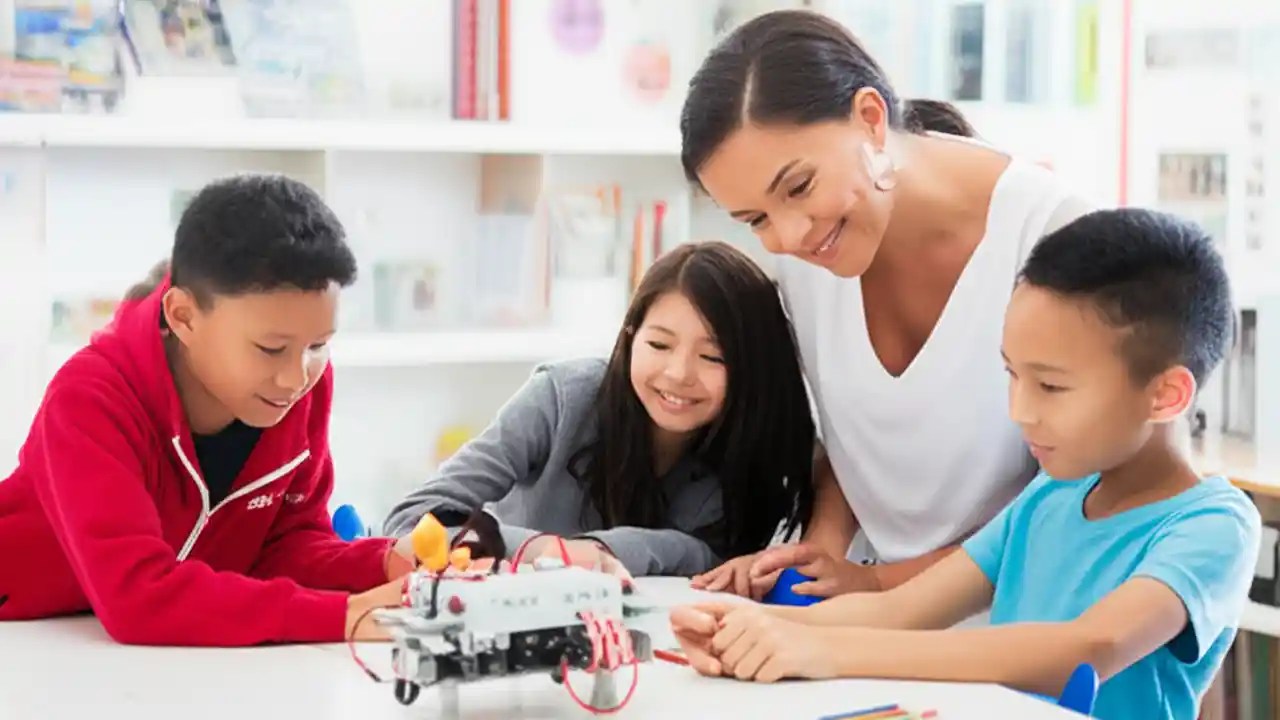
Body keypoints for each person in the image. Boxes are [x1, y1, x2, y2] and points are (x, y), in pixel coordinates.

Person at [670, 208, 1261, 720]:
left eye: (1051, 387)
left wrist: (825, 651)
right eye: (1012, 374)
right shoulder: (1051, 495)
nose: (1020, 411)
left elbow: (1090, 646)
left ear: (1166, 395)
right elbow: (900, 611)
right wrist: (744, 628)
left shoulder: (1213, 523)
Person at [682, 9, 1096, 599]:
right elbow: (855, 449)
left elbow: (1079, 500)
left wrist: (881, 586)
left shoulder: (1052, 236)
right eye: (755, 220)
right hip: (876, 627)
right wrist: (815, 557)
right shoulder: (809, 261)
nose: (791, 236)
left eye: (798, 187)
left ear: (871, 119)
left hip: (1022, 624)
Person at [0, 174, 414, 646]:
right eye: (270, 348)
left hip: (156, 655)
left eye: (318, 345)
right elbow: (138, 597)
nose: (296, 378)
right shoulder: (89, 398)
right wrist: (345, 615)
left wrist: (385, 562)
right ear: (184, 317)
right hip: (24, 643)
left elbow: (284, 548)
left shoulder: (298, 387)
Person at [383, 241, 815, 579]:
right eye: (659, 344)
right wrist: (544, 550)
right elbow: (409, 521)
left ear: (753, 367)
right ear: (630, 339)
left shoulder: (754, 453)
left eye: (713, 356)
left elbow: (722, 559)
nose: (679, 373)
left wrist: (616, 548)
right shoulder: (564, 398)